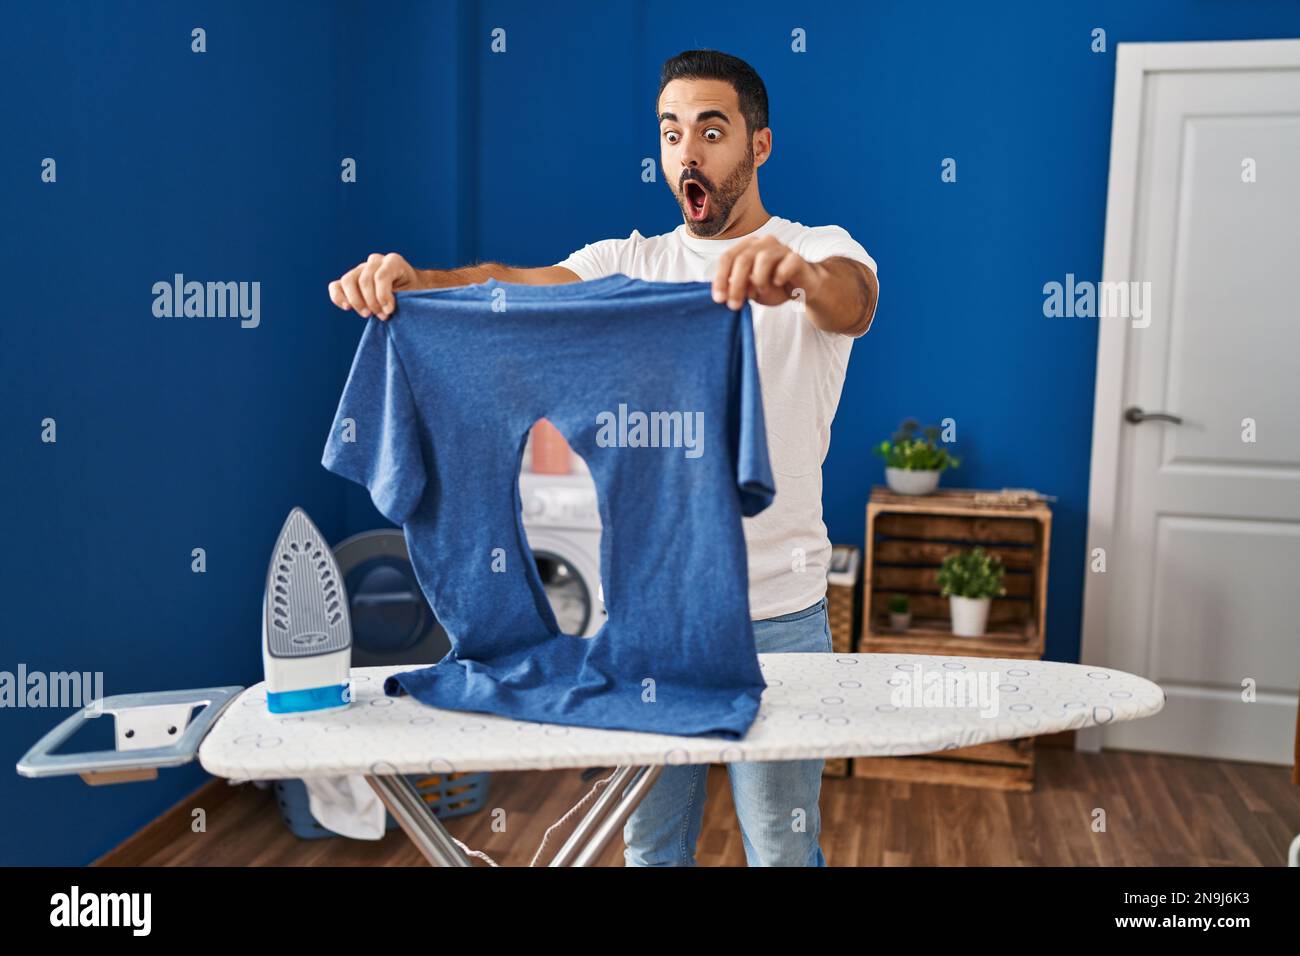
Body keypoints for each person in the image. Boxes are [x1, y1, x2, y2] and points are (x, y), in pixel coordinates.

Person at [328, 49, 879, 867]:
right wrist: (414, 282)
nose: (687, 153)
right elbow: (506, 283)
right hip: (644, 623)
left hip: (779, 616)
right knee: (650, 847)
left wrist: (794, 276)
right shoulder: (627, 265)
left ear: (759, 146)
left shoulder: (818, 249)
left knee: (781, 848)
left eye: (712, 131)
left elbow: (853, 300)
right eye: (671, 134)